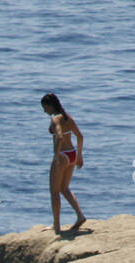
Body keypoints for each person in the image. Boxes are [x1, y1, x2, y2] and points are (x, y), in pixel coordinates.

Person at [41, 93, 86, 233]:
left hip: (61, 156)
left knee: (54, 192)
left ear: (50, 105)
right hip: (72, 154)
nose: (44, 111)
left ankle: (57, 226)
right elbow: (80, 136)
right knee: (64, 188)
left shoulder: (55, 119)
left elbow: (59, 137)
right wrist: (79, 156)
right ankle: (80, 216)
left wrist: (56, 155)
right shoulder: (68, 117)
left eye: (45, 107)